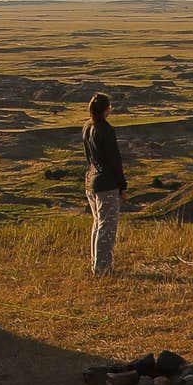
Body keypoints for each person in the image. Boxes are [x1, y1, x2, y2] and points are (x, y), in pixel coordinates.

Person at [82, 92, 125, 276]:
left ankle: (96, 264)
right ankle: (103, 268)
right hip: (106, 184)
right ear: (106, 109)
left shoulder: (87, 127)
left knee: (98, 224)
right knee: (107, 227)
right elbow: (115, 160)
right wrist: (122, 185)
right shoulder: (106, 130)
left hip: (91, 181)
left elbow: (88, 156)